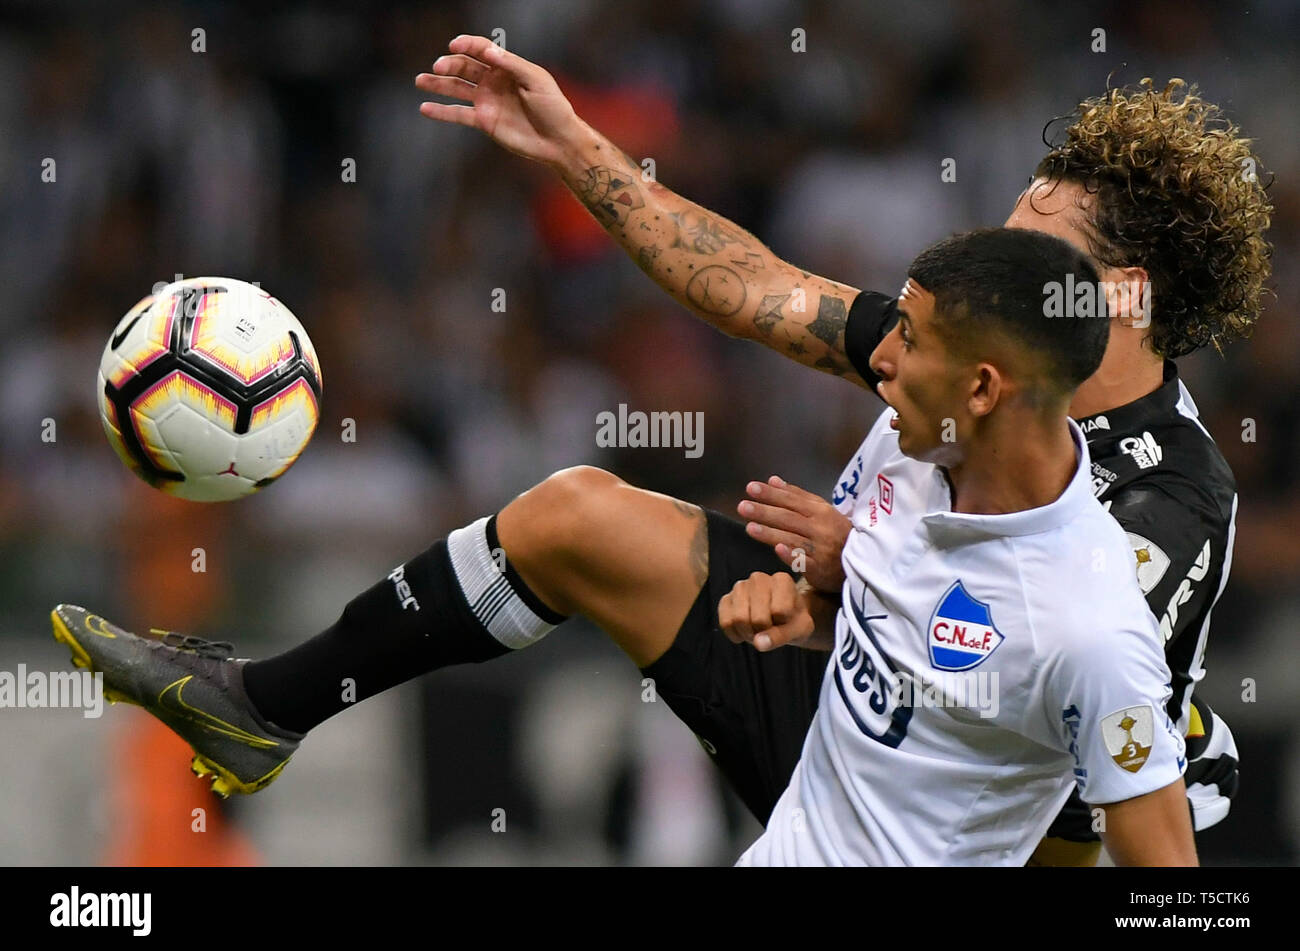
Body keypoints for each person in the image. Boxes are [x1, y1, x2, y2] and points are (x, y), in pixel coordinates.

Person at [53, 224, 1199, 865]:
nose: (878, 355)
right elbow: (939, 622)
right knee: (573, 514)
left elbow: (1156, 871)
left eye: (906, 335)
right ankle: (261, 705)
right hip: (806, 783)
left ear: (986, 384)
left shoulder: (1090, 622)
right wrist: (819, 607)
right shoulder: (930, 457)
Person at [413, 39, 1268, 863]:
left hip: (1012, 818)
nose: (1002, 266)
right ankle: (279, 707)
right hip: (863, 713)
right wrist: (575, 147)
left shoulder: (1174, 492)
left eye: (1039, 256)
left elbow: (1039, 664)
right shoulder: (957, 358)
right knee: (579, 514)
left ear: (1125, 293)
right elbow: (752, 285)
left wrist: (859, 564)